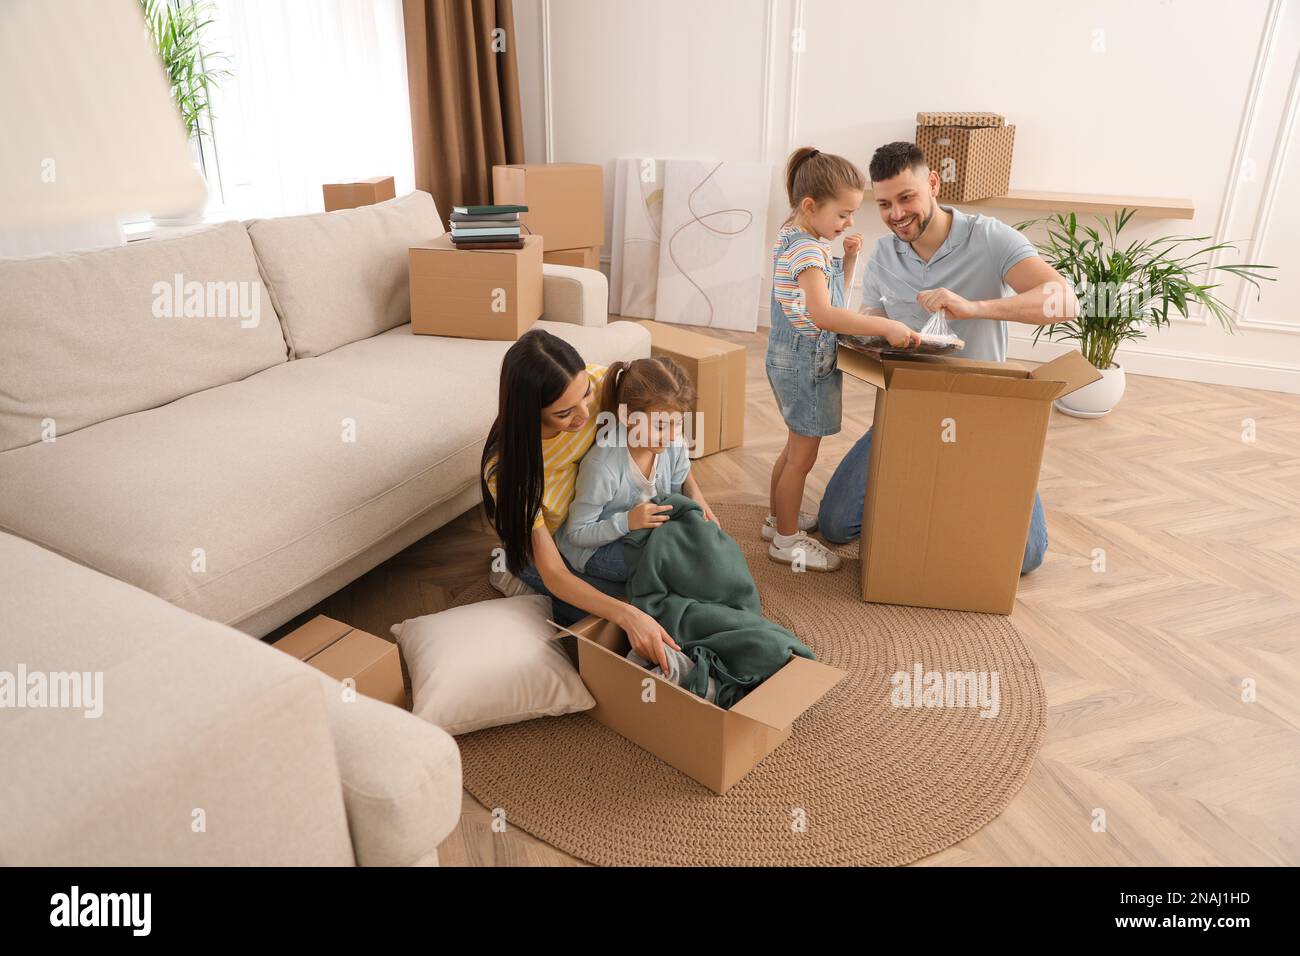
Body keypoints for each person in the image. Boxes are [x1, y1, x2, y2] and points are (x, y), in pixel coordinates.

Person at [816, 141, 1079, 572]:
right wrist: (870, 331)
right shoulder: (884, 253)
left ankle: (965, 480)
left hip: (983, 408)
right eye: (884, 205)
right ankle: (929, 479)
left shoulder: (989, 237)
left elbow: (1064, 301)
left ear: (933, 183)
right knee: (836, 525)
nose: (896, 214)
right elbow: (874, 316)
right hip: (909, 406)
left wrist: (975, 308)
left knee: (1027, 557)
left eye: (906, 198)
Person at [480, 329, 679, 673]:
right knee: (623, 614)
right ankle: (514, 573)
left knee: (659, 585)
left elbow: (666, 430)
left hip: (606, 521)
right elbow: (555, 572)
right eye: (564, 413)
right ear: (532, 413)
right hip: (555, 550)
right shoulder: (508, 469)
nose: (585, 414)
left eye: (585, 395)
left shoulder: (600, 384)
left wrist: (698, 496)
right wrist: (628, 616)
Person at [765, 146, 920, 573]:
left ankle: (777, 519)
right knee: (802, 458)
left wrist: (849, 260)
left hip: (787, 357)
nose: (850, 222)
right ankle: (786, 541)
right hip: (805, 364)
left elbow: (828, 299)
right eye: (844, 214)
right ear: (811, 205)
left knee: (793, 447)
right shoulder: (810, 252)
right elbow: (825, 315)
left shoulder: (794, 236)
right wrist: (884, 328)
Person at [557, 355, 718, 587]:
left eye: (679, 422)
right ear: (627, 416)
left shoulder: (672, 444)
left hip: (643, 536)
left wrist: (696, 516)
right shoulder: (602, 467)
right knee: (668, 570)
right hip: (595, 548)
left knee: (703, 550)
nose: (673, 435)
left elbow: (676, 498)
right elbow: (577, 534)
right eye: (661, 425)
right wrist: (627, 522)